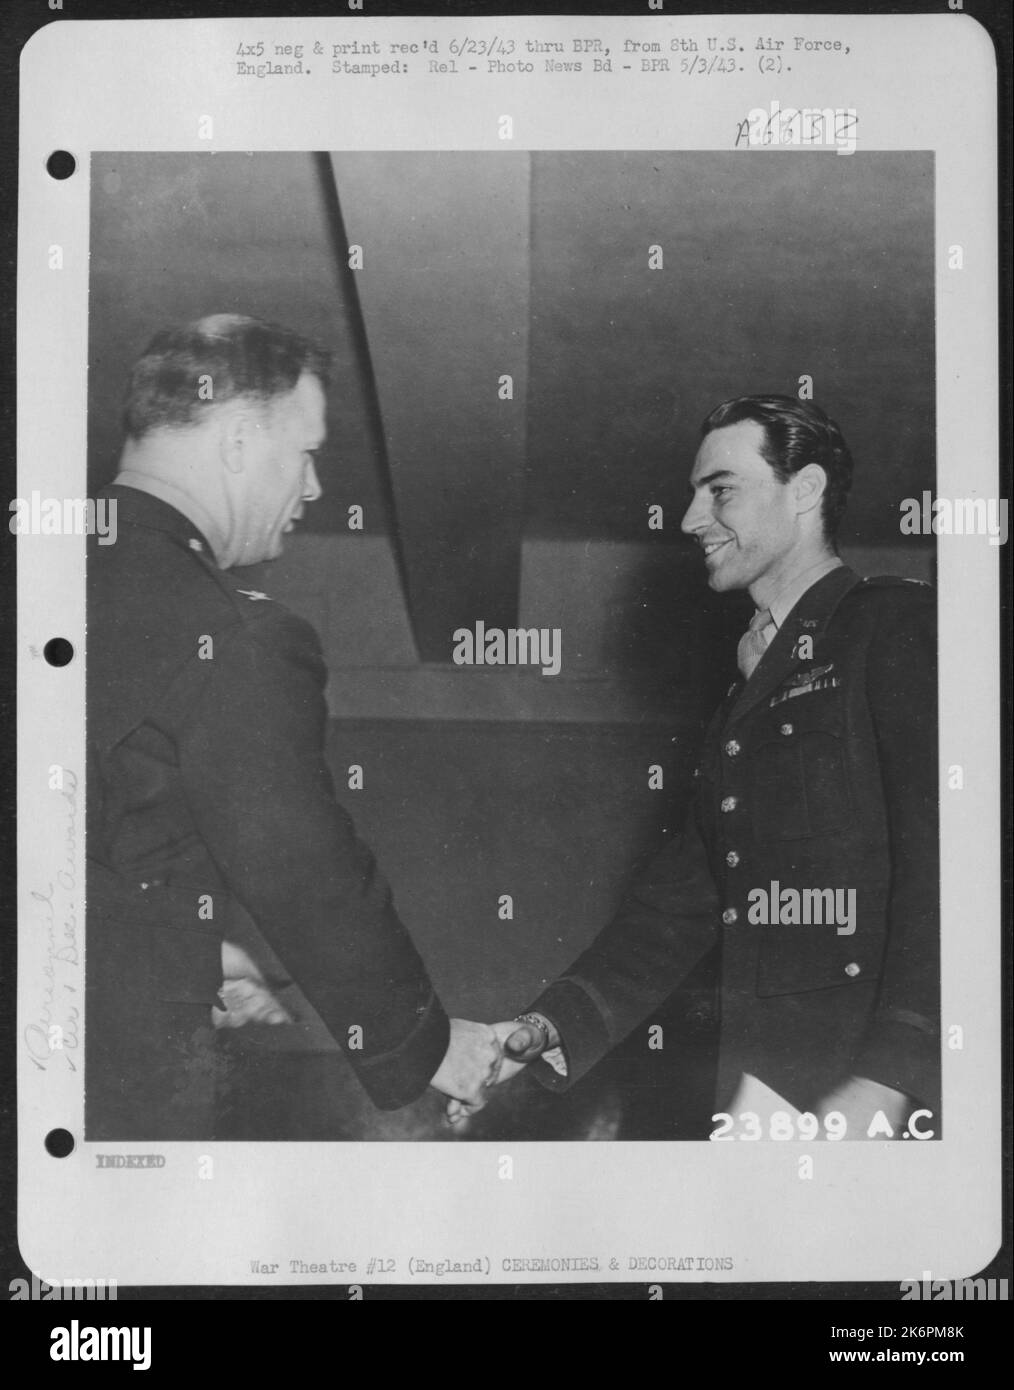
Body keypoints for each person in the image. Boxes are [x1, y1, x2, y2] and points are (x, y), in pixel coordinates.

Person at [465, 395, 939, 1140]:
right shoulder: (747, 687)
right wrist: (551, 1024)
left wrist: (892, 1075)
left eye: (720, 490)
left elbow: (949, 863)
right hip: (767, 1092)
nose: (690, 520)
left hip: (872, 1095)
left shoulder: (892, 627)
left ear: (806, 490)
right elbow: (684, 896)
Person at [86, 313, 501, 1139]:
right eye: (307, 453)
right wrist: (423, 1044)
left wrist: (169, 948)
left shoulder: (49, 573)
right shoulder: (237, 633)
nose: (314, 488)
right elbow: (301, 867)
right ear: (239, 440)